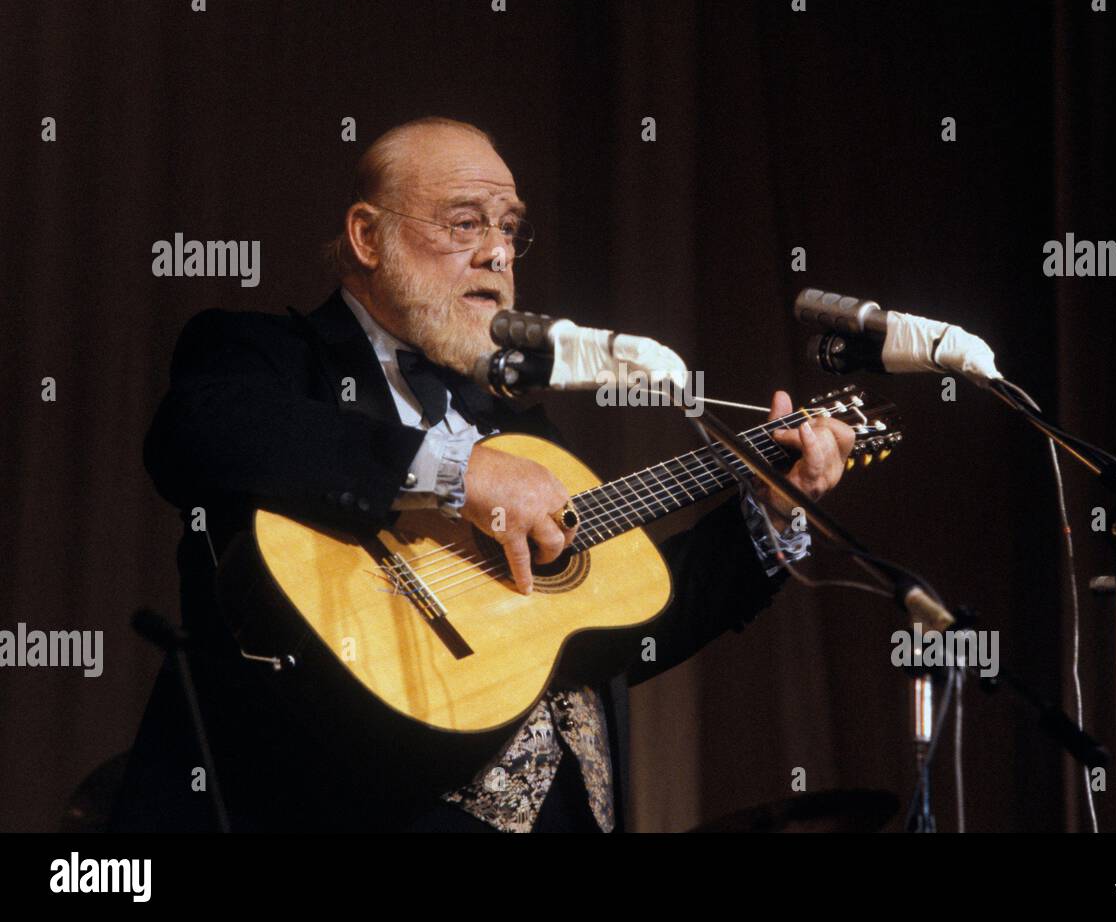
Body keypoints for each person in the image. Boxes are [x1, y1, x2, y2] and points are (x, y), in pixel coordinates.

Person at [111, 116, 855, 832]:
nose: (498, 253)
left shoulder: (525, 433)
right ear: (368, 236)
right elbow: (202, 431)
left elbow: (618, 626)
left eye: (508, 228)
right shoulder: (263, 354)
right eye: (465, 222)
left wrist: (772, 515)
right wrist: (457, 473)